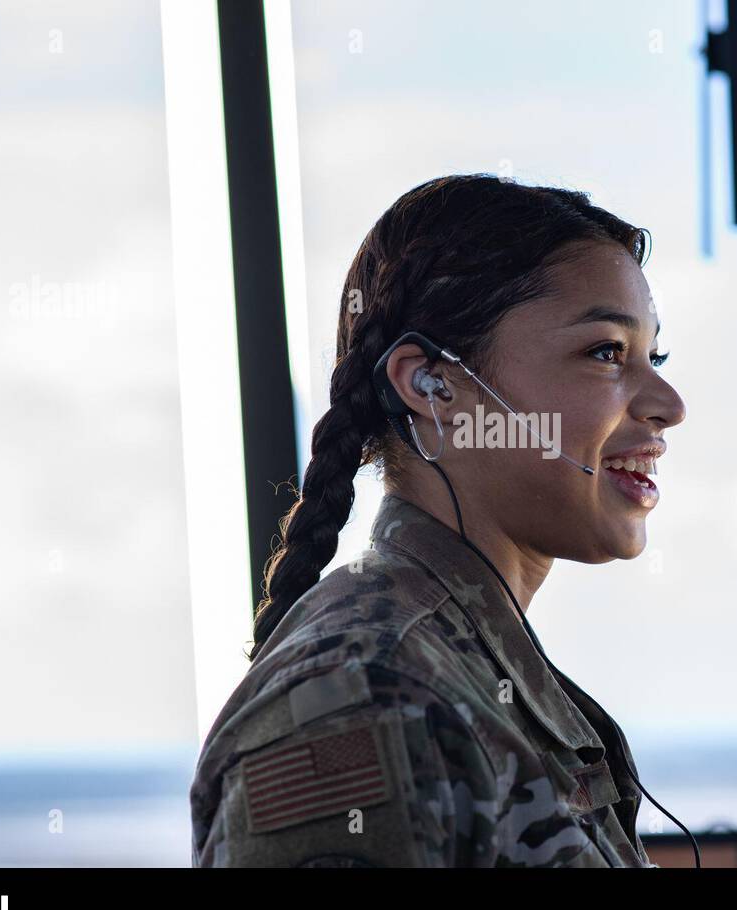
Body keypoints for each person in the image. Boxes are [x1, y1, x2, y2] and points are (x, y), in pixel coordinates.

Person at [190, 173, 687, 867]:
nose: (668, 403)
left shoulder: (457, 674)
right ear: (432, 384)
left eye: (653, 357)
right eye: (606, 352)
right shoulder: (364, 697)